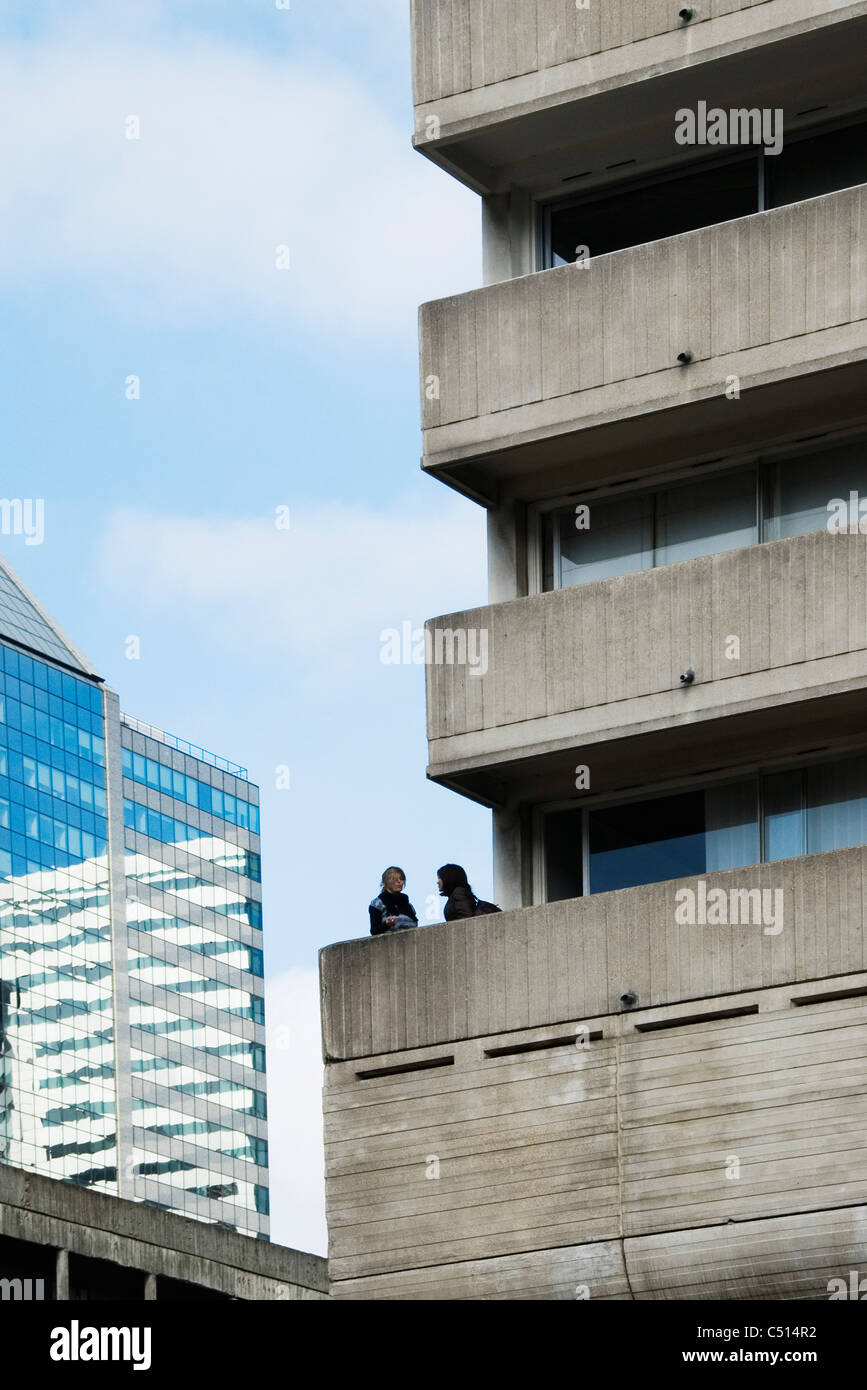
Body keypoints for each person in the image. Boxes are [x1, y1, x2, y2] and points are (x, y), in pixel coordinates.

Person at [369, 866, 419, 936]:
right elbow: (374, 931)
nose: (399, 882)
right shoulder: (377, 904)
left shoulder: (408, 905)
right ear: (385, 883)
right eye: (394, 879)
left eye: (401, 879)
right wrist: (386, 924)